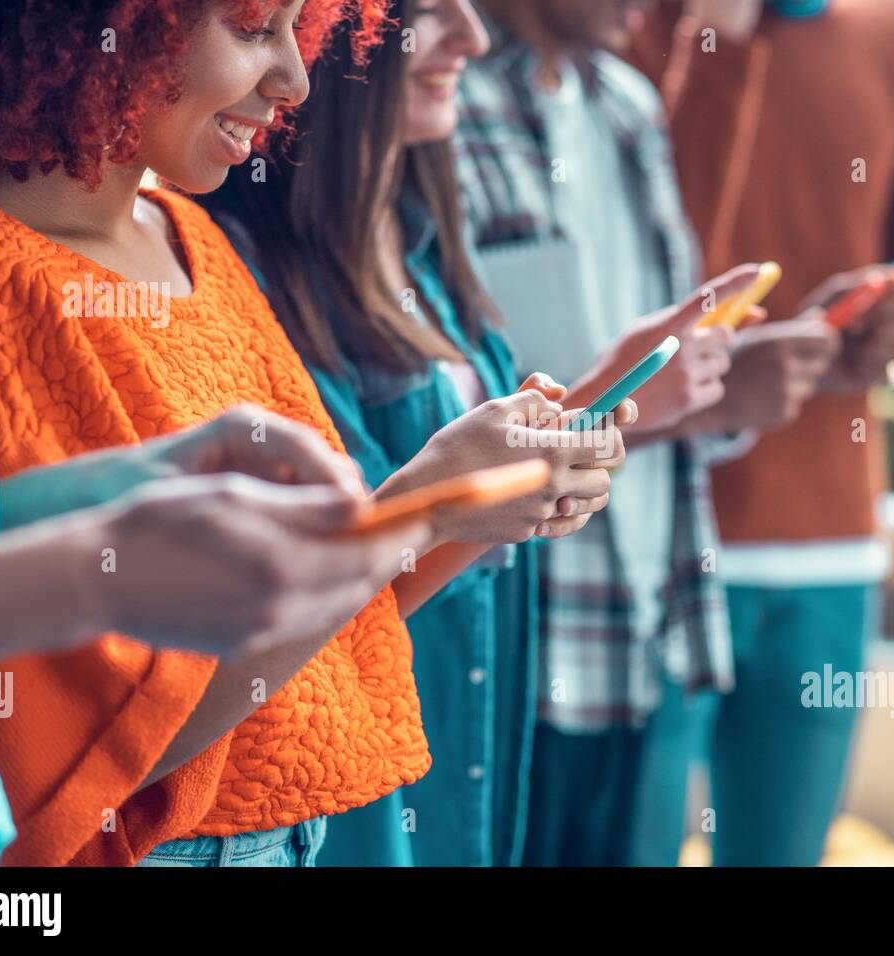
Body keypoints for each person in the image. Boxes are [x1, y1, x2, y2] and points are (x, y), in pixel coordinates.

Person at [0, 0, 457, 868]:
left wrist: (455, 507)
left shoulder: (194, 238)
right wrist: (427, 508)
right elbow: (88, 766)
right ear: (107, 31)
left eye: (295, 28)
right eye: (251, 30)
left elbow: (324, 631)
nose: (297, 78)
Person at [202, 0, 634, 866]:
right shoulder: (235, 266)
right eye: (432, 15)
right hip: (355, 794)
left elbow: (445, 492)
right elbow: (306, 585)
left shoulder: (426, 244)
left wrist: (574, 424)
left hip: (462, 754)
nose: (474, 38)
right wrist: (446, 500)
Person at [628, 0, 894, 865]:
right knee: (624, 843)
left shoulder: (891, 35)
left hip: (827, 544)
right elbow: (647, 273)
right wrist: (722, 39)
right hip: (650, 531)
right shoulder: (621, 24)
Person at [454, 0, 837, 865]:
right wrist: (650, 402)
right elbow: (450, 413)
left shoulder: (628, 106)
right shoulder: (444, 102)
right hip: (523, 629)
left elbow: (661, 374)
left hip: (644, 622)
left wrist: (724, 395)